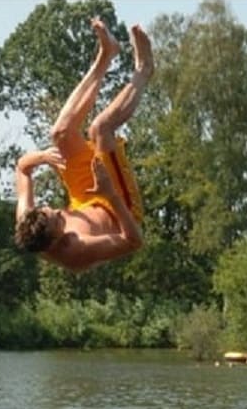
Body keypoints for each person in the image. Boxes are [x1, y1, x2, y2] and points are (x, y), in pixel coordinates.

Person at [14, 18, 154, 272]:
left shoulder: (28, 221)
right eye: (58, 219)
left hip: (83, 195)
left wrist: (42, 157)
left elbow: (22, 168)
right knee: (101, 129)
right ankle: (143, 70)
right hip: (117, 204)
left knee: (60, 133)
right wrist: (109, 193)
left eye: (50, 210)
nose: (58, 211)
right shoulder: (74, 251)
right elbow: (134, 241)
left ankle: (107, 53)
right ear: (55, 241)